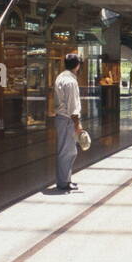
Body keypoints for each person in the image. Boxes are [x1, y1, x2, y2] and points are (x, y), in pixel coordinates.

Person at [53, 53, 83, 191]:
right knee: (67, 151)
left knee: (67, 150)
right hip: (67, 120)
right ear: (77, 65)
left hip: (61, 118)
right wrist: (77, 124)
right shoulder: (70, 81)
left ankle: (66, 179)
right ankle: (63, 182)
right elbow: (72, 106)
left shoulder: (61, 77)